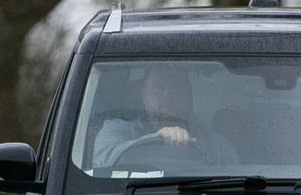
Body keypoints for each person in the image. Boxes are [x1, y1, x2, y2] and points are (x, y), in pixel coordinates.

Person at [93, 65, 232, 167]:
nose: (168, 95)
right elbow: (103, 163)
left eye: (177, 87)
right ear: (144, 96)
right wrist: (156, 139)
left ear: (189, 94)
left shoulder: (216, 144)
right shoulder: (118, 129)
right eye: (159, 88)